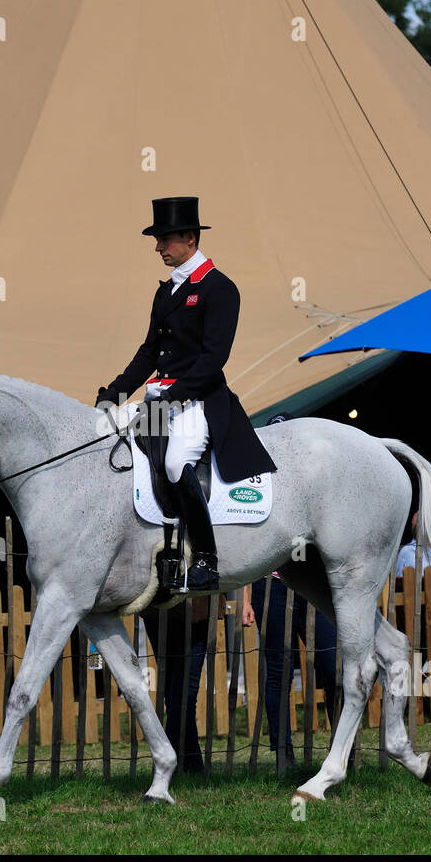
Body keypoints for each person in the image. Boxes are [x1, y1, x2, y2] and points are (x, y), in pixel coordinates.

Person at [96, 197, 277, 592]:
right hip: (160, 399)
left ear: (189, 239)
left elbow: (213, 359)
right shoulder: (167, 291)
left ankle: (207, 559)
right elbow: (149, 352)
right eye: (158, 240)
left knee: (177, 462)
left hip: (199, 400)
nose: (158, 247)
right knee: (111, 443)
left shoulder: (220, 288)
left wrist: (171, 397)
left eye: (164, 240)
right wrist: (116, 392)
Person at [241, 572, 337, 768]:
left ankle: (343, 748)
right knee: (279, 672)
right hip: (272, 584)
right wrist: (244, 598)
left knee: (335, 670)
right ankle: (283, 754)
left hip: (314, 583)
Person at [144, 595, 213, 773]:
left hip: (188, 605)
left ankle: (182, 763)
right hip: (162, 604)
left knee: (181, 693)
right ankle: (182, 763)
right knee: (177, 693)